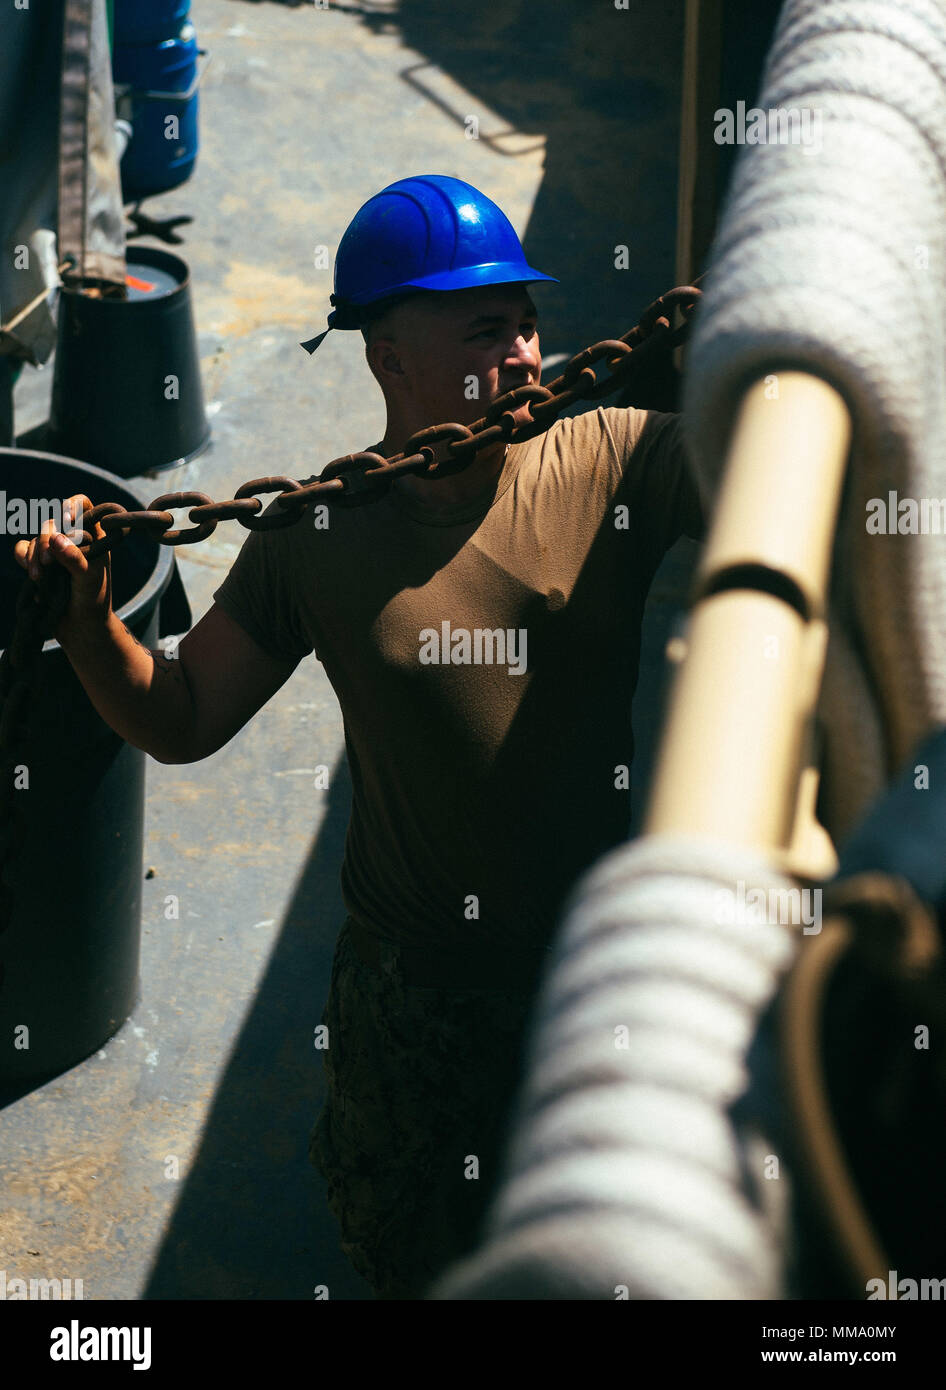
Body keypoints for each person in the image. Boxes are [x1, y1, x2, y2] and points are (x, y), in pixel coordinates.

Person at [13, 174, 705, 1299]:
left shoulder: (612, 464)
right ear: (389, 357)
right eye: (488, 328)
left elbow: (765, 475)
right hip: (412, 1000)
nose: (528, 351)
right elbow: (183, 715)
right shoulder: (315, 538)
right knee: (414, 1259)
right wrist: (89, 625)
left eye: (528, 320)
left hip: (588, 984)